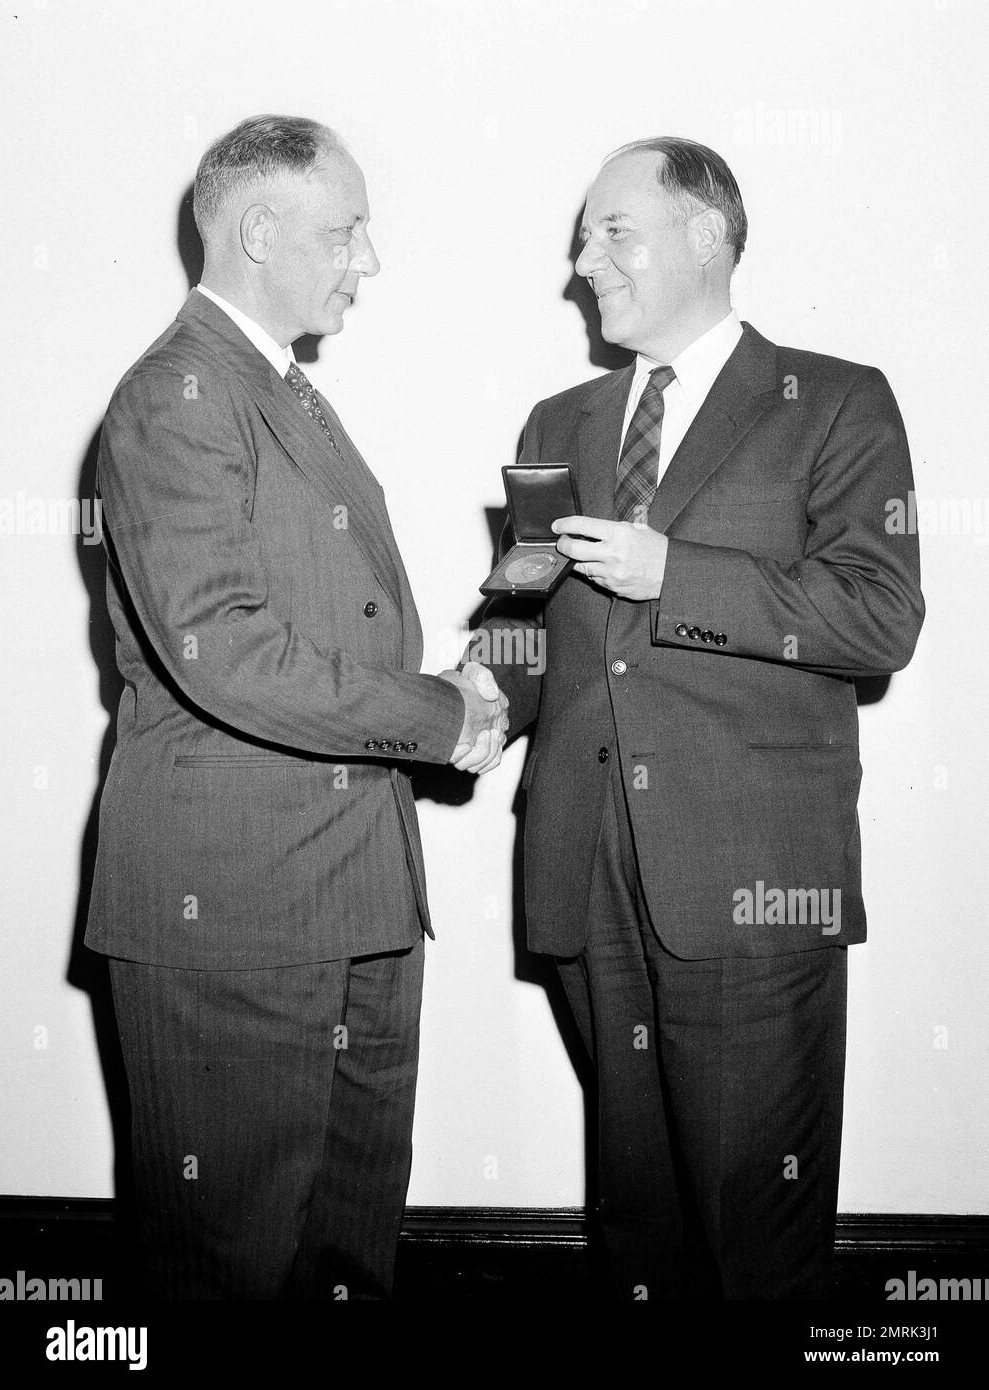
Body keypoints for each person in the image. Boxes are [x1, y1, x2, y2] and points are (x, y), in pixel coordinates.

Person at [469, 136, 924, 1299]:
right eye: (584, 236)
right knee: (640, 1232)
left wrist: (676, 570)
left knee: (751, 1245)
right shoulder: (556, 420)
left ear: (708, 234)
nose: (584, 261)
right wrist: (476, 689)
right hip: (587, 871)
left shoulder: (834, 401)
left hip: (748, 881)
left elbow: (880, 619)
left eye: (613, 231)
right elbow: (532, 623)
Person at [85, 113, 507, 1300]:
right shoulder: (177, 391)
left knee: (342, 1259)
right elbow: (229, 651)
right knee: (234, 1266)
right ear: (259, 230)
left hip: (354, 897)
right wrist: (441, 714)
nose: (367, 260)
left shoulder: (276, 392)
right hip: (236, 912)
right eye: (345, 229)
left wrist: (469, 687)